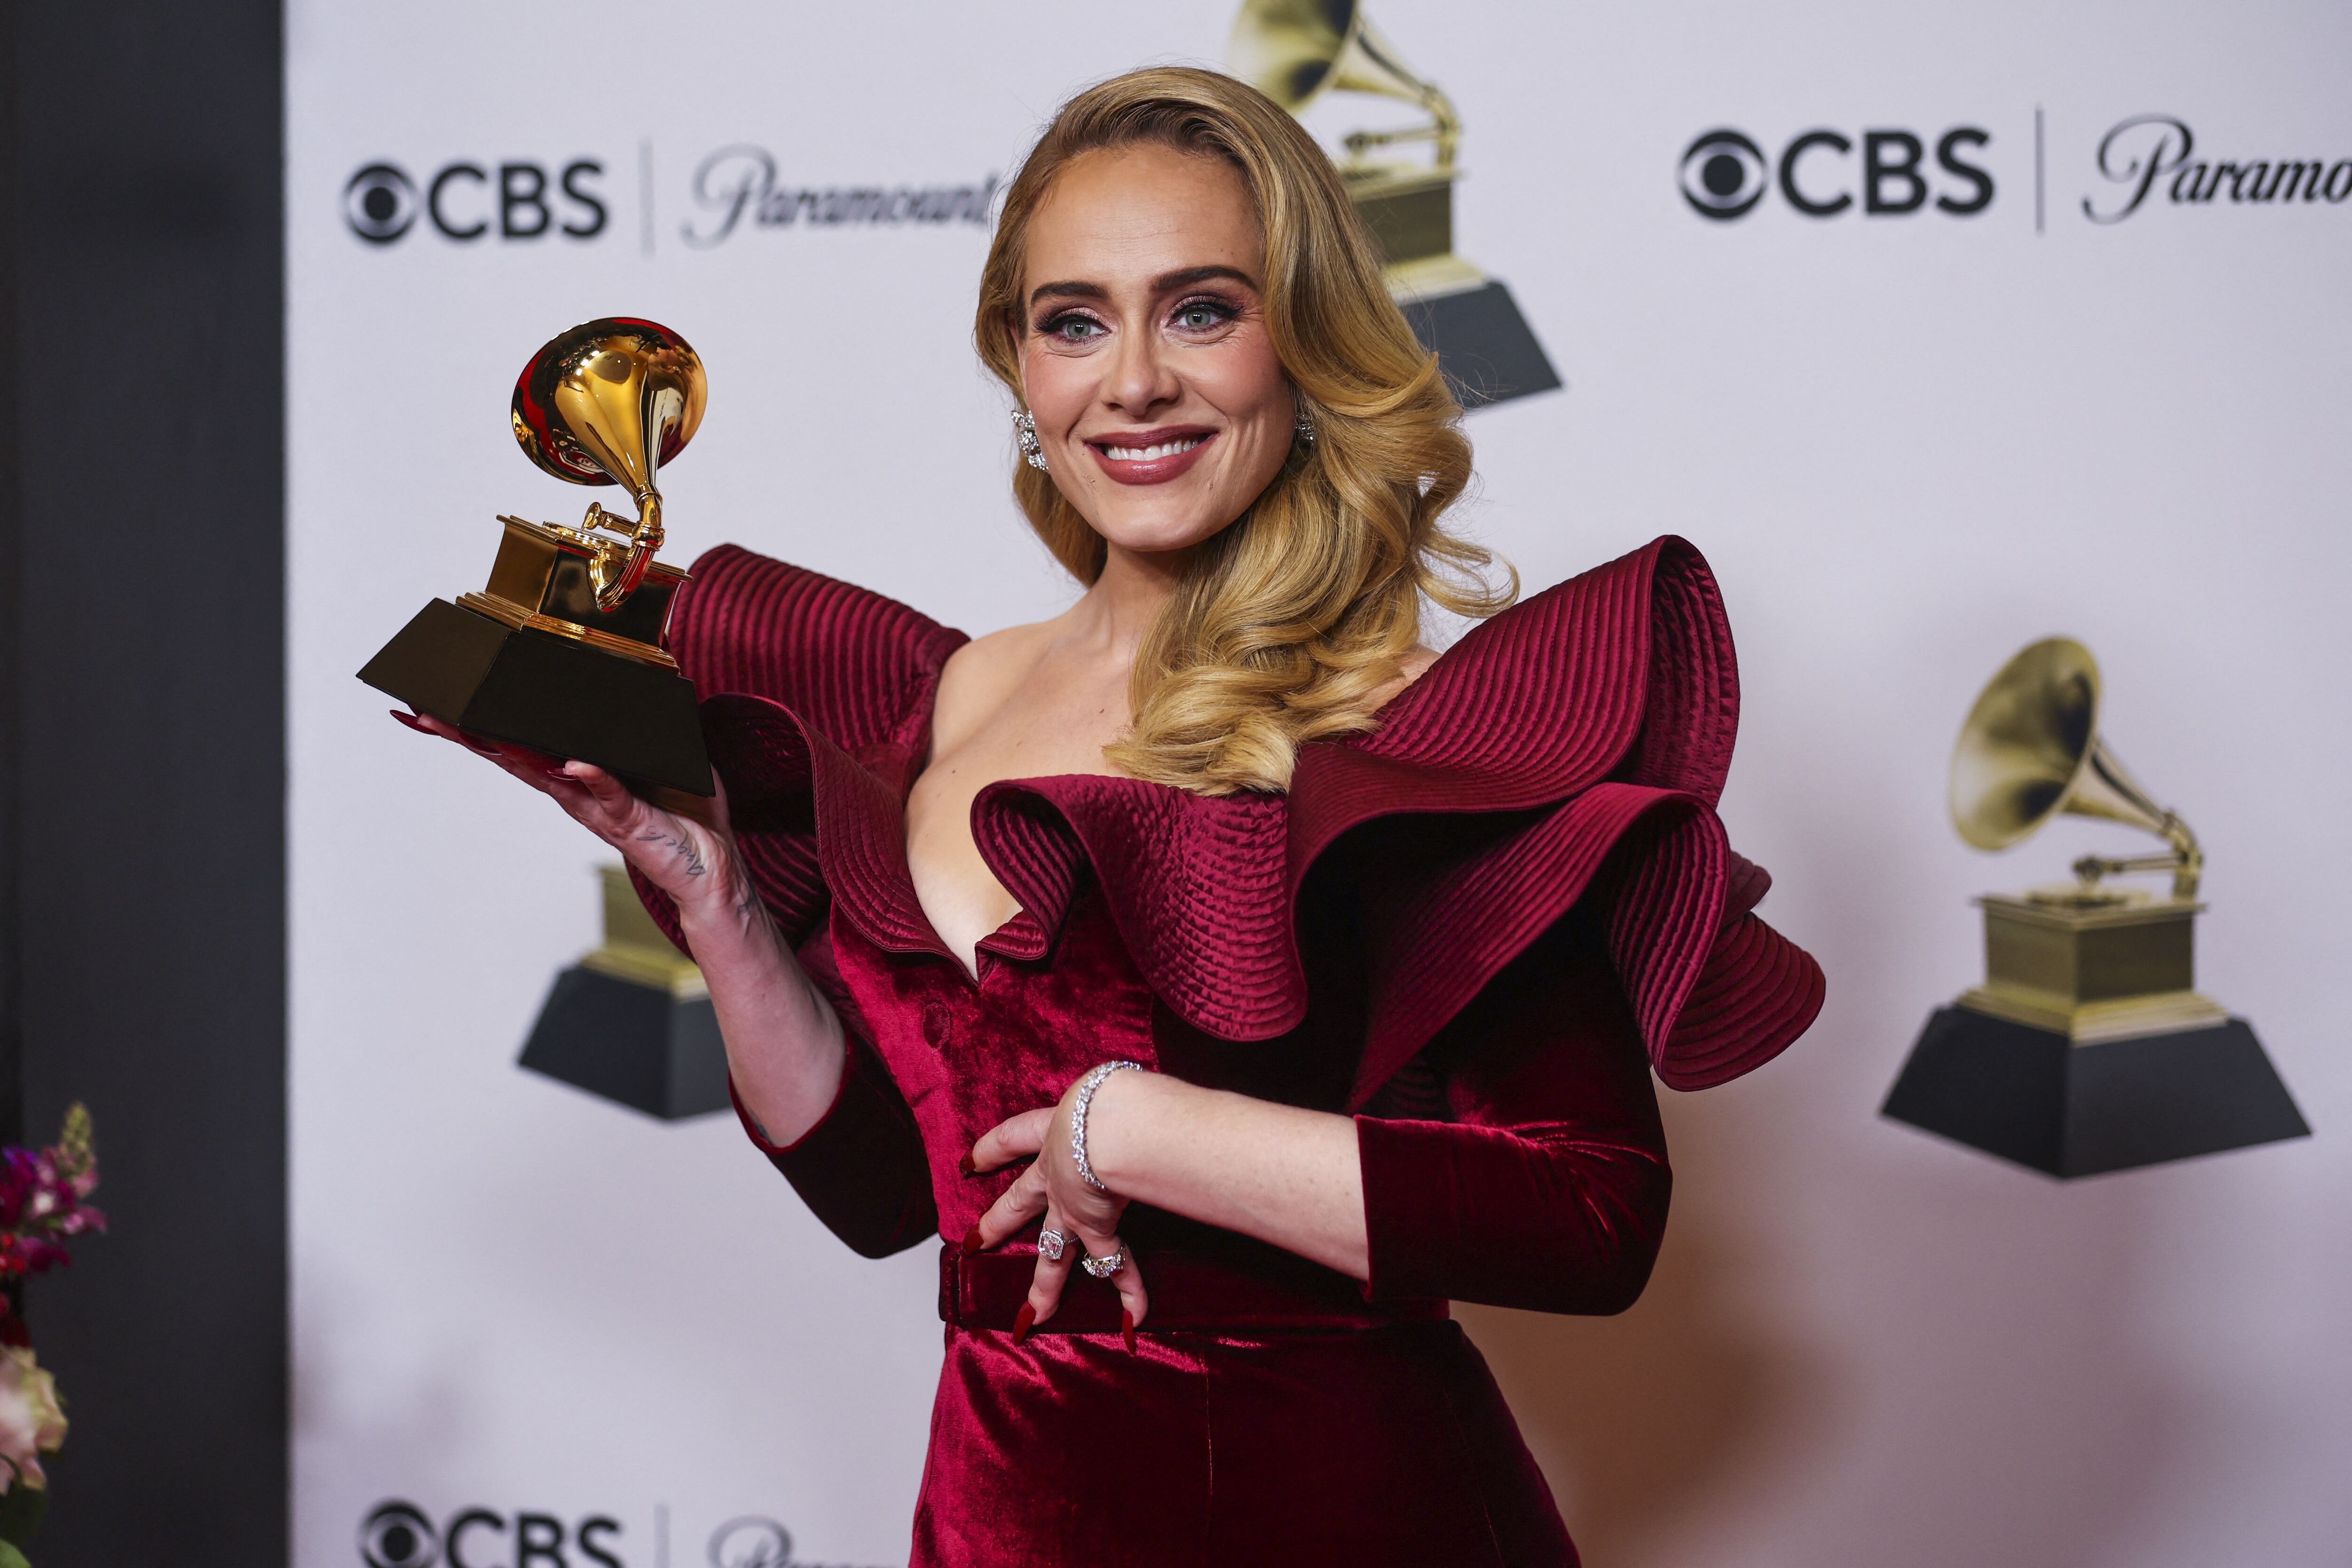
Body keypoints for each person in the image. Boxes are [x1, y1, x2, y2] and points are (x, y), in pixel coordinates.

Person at [398, 66, 1821, 1568]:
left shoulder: (1407, 728)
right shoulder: (947, 695)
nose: (1133, 382)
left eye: (1201, 311)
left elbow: (1591, 1217)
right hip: (1004, 1503)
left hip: (1339, 1514)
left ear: (1305, 344)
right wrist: (725, 909)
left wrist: (1132, 1126)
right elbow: (892, 1200)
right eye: (1075, 322)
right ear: (1021, 368)